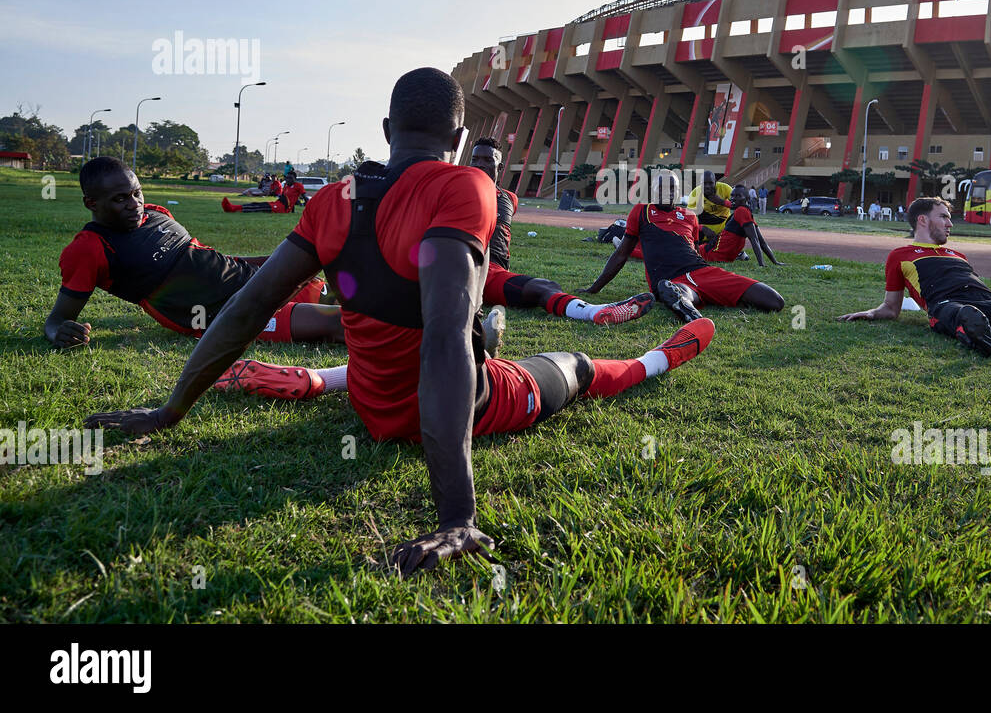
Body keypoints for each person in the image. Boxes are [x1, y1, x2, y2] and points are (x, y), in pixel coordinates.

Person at [85, 68, 715, 574]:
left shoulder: (335, 199)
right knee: (579, 368)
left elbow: (247, 308)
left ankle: (331, 376)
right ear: (461, 134)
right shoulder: (466, 186)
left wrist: (171, 410)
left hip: (371, 405)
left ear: (386, 128)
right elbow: (444, 333)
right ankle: (666, 353)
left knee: (469, 333)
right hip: (465, 405)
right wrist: (457, 517)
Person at [45, 156, 341, 349]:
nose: (134, 204)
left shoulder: (156, 213)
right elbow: (56, 320)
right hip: (227, 312)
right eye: (120, 199)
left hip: (250, 279)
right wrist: (58, 331)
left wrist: (279, 265)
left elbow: (207, 258)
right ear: (91, 203)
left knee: (347, 286)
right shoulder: (88, 248)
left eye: (136, 193)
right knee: (338, 323)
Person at [836, 197, 991, 357]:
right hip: (947, 304)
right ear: (922, 220)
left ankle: (981, 330)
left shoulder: (958, 254)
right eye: (944, 216)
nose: (950, 224)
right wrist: (871, 313)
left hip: (990, 302)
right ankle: (975, 331)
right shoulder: (901, 255)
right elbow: (892, 308)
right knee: (953, 311)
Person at [469, 137, 653, 324]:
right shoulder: (459, 191)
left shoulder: (509, 199)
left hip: (495, 272)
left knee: (549, 286)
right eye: (475, 159)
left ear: (500, 167)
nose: (480, 165)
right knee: (542, 287)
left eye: (488, 160)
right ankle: (594, 312)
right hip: (471, 270)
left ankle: (595, 311)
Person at [586, 171, 784, 321]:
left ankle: (692, 302)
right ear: (653, 190)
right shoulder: (641, 211)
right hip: (670, 277)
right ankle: (684, 303)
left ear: (679, 191)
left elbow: (696, 252)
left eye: (672, 188)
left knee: (774, 300)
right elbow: (621, 255)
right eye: (662, 188)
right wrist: (594, 289)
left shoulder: (690, 216)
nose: (667, 192)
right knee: (673, 290)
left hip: (702, 271)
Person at [700, 187, 783, 266]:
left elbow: (755, 240)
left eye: (738, 196)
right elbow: (760, 241)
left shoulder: (742, 211)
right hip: (713, 251)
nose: (733, 198)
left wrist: (762, 264)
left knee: (690, 248)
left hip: (712, 254)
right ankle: (740, 255)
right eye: (732, 195)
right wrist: (774, 262)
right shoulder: (743, 212)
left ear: (747, 198)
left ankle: (740, 254)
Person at [222, 170, 306, 214]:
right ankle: (233, 207)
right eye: (287, 178)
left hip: (281, 208)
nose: (288, 180)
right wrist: (292, 211)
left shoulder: (298, 185)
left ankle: (233, 209)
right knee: (256, 204)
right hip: (277, 203)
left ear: (295, 178)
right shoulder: (287, 186)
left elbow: (305, 198)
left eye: (290, 178)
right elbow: (290, 199)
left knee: (258, 208)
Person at [686, 172, 733, 237]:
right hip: (705, 228)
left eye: (710, 183)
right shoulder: (695, 193)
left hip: (725, 226)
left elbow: (739, 206)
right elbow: (688, 219)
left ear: (715, 182)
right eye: (704, 183)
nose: (707, 186)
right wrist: (702, 228)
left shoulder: (725, 188)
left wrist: (722, 202)